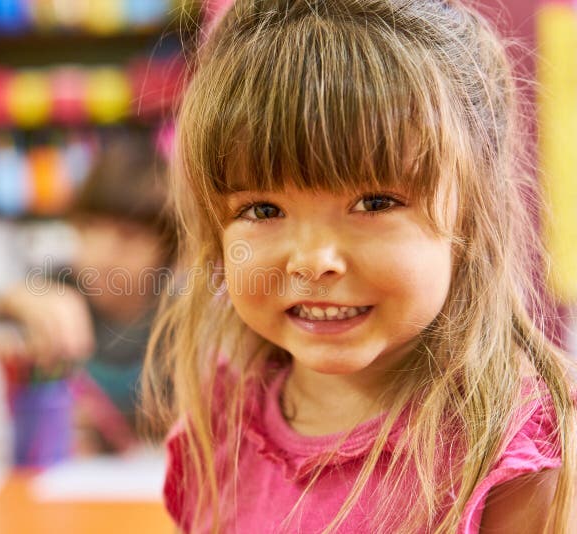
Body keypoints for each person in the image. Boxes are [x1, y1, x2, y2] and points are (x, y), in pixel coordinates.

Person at [141, 1, 577, 532]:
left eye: (375, 202)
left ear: (470, 214)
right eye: (263, 210)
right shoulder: (220, 424)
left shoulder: (519, 448)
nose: (314, 260)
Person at [0, 131, 175, 453]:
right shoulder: (58, 285)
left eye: (128, 236)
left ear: (166, 249)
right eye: (90, 228)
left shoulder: (180, 313)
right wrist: (19, 298)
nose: (101, 254)